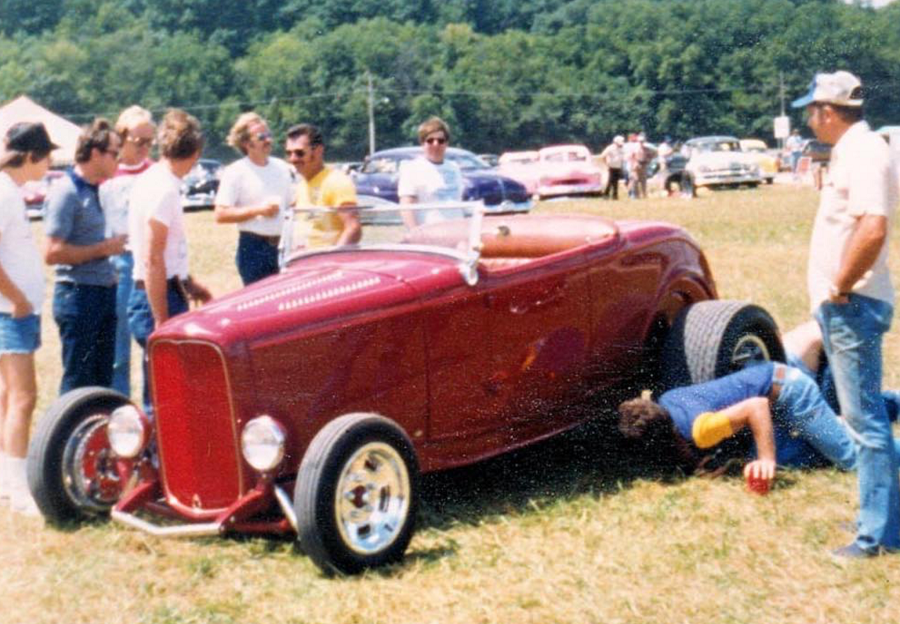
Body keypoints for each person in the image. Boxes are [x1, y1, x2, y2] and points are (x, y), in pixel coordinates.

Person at [793, 70, 900, 558]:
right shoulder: (852, 150)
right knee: (864, 420)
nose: (810, 120)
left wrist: (839, 284)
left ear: (828, 112)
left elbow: (872, 228)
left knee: (865, 423)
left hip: (851, 305)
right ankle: (878, 515)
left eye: (812, 111)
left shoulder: (864, 151)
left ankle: (877, 535)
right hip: (844, 307)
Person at [618, 362, 900, 484]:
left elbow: (757, 406)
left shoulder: (701, 431)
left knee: (852, 459)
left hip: (789, 393)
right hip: (773, 386)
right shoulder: (666, 401)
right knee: (806, 450)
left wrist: (767, 460)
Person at [127, 109, 212, 412]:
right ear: (196, 153)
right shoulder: (164, 190)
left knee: (164, 389)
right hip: (157, 299)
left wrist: (190, 284)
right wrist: (161, 319)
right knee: (165, 396)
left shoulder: (153, 180)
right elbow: (152, 257)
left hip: (160, 292)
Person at [44, 119, 127, 394]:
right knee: (78, 382)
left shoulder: (100, 190)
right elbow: (52, 252)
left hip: (103, 292)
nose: (119, 159)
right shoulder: (66, 191)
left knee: (102, 381)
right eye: (114, 153)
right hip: (78, 296)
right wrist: (103, 249)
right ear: (95, 153)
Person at [0, 123, 55, 515]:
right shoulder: (4, 193)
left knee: (7, 394)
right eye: (47, 156)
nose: (50, 163)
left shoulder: (9, 191)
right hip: (11, 311)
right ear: (31, 156)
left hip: (15, 309)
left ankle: (6, 477)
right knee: (24, 396)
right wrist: (18, 299)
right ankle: (18, 489)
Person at [99, 105, 155, 397]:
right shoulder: (107, 174)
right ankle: (119, 406)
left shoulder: (155, 172)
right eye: (138, 141)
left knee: (150, 340)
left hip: (149, 260)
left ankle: (151, 408)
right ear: (121, 138)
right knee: (118, 349)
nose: (145, 148)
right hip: (118, 263)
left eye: (150, 141)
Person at [214, 112, 294, 285]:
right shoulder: (235, 172)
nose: (268, 140)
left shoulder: (282, 168)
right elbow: (221, 214)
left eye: (269, 135)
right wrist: (259, 211)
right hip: (253, 248)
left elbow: (292, 205)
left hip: (284, 247)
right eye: (261, 137)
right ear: (246, 143)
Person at [285, 123, 360, 247]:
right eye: (289, 153)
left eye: (299, 153)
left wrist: (334, 256)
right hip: (304, 257)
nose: (293, 159)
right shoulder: (302, 185)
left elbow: (353, 228)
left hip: (326, 258)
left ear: (318, 151)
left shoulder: (336, 182)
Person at [397, 117, 465, 228]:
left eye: (440, 140)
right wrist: (415, 233)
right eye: (430, 140)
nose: (435, 144)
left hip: (456, 230)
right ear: (422, 143)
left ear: (446, 143)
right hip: (429, 233)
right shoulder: (412, 169)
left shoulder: (454, 168)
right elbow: (406, 207)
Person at [599, 135, 624, 200]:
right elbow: (602, 156)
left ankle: (614, 195)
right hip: (612, 167)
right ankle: (606, 194)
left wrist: (621, 166)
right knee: (610, 181)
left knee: (616, 182)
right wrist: (606, 164)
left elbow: (622, 158)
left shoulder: (621, 148)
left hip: (618, 167)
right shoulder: (610, 148)